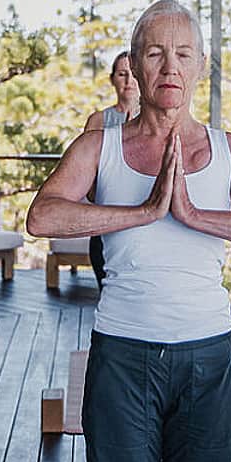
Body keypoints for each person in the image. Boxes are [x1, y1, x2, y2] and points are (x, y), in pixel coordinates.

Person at [27, 0, 231, 462]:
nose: (170, 67)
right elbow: (42, 217)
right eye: (155, 53)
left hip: (208, 357)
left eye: (183, 54)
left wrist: (194, 215)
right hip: (123, 358)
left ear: (201, 66)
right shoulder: (98, 145)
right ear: (133, 65)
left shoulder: (230, 150)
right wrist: (143, 212)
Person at [82, 51, 140, 286]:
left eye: (132, 74)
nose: (128, 81)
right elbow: (87, 174)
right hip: (105, 215)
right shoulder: (98, 120)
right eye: (121, 74)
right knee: (106, 287)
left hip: (144, 218)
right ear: (112, 79)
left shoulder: (158, 120)